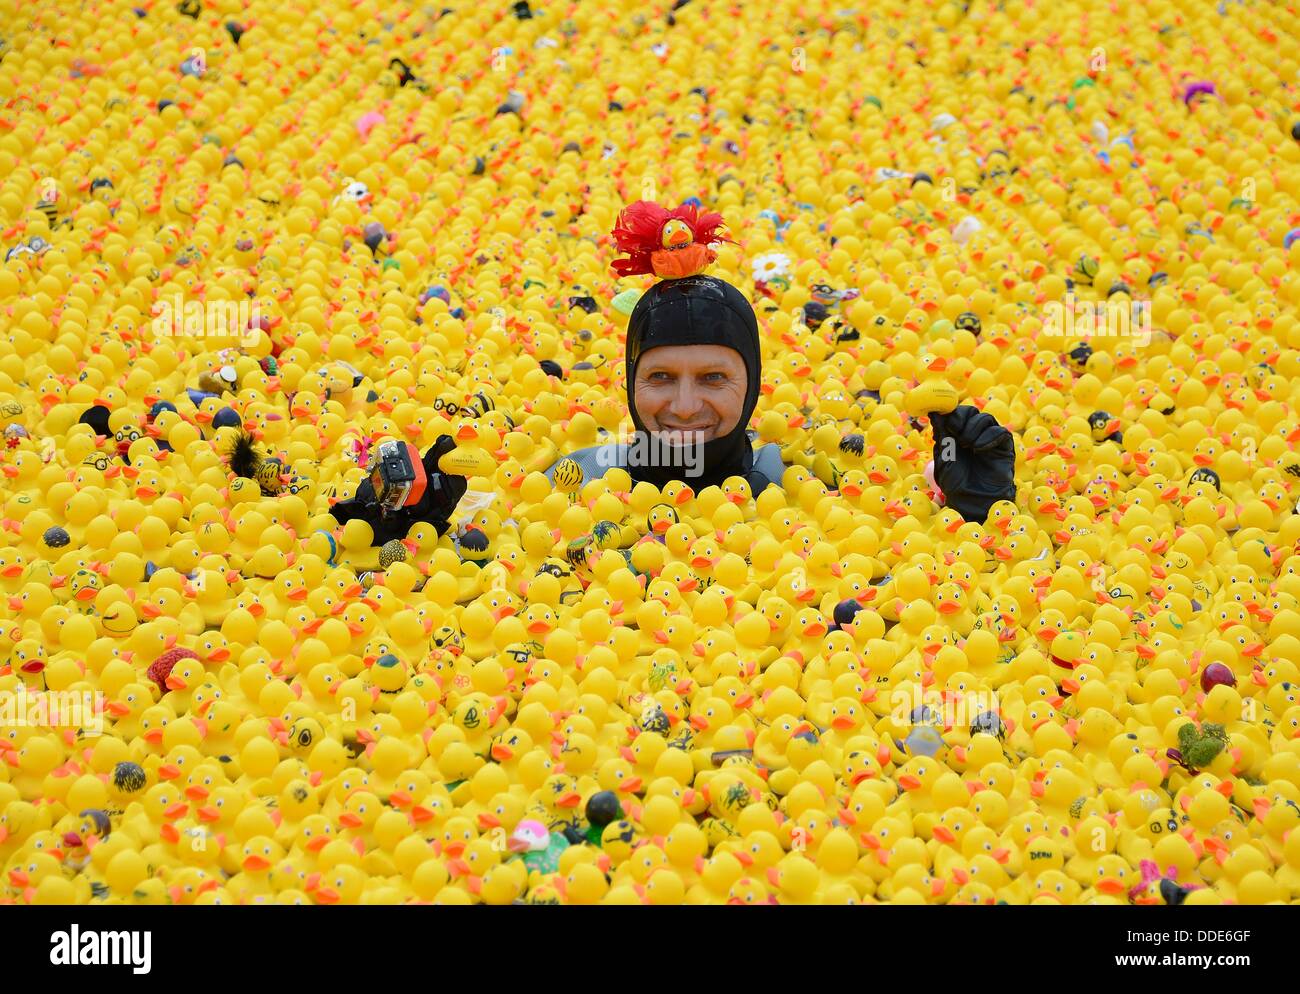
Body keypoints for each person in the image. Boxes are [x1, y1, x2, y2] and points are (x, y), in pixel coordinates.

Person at [329, 275, 1017, 542]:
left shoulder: (803, 486)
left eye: (714, 377)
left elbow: (910, 578)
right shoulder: (578, 479)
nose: (685, 407)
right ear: (630, 383)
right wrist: (396, 522)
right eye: (661, 378)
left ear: (752, 387)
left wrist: (981, 510)